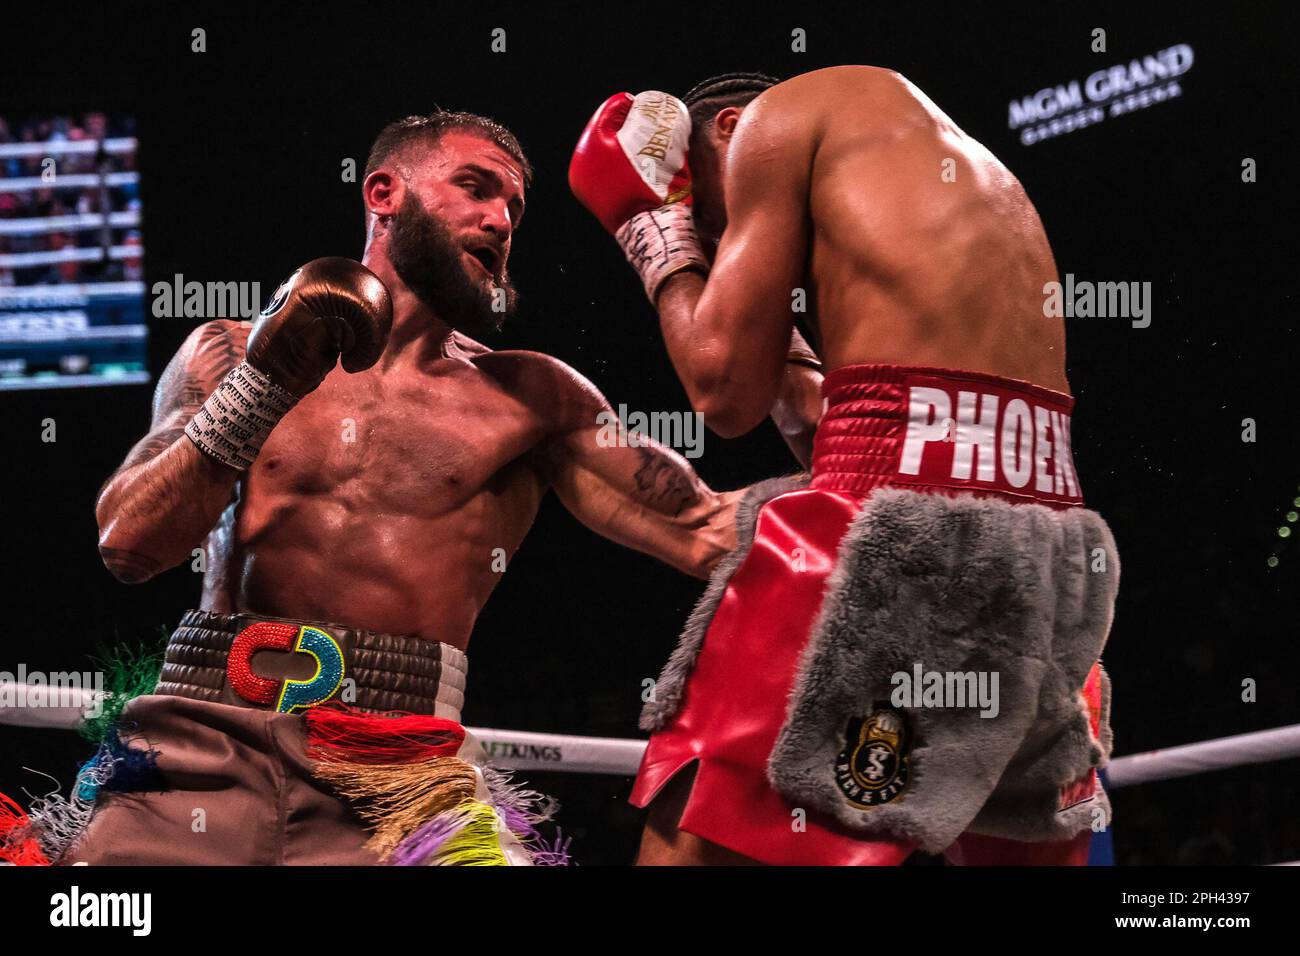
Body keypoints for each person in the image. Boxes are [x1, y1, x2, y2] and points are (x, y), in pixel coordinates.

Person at [6, 108, 817, 866]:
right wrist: (265, 385)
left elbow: (710, 532)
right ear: (383, 193)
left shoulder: (533, 396)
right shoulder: (228, 348)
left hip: (402, 768)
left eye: (514, 207)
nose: (501, 219)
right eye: (476, 186)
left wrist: (889, 465)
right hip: (196, 744)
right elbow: (130, 542)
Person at [570, 68, 1119, 865]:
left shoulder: (776, 122)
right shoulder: (948, 164)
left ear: (727, 131)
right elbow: (851, 421)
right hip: (1051, 561)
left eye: (721, 228)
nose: (728, 255)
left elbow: (720, 391)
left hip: (894, 541)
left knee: (695, 832)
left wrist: (658, 234)